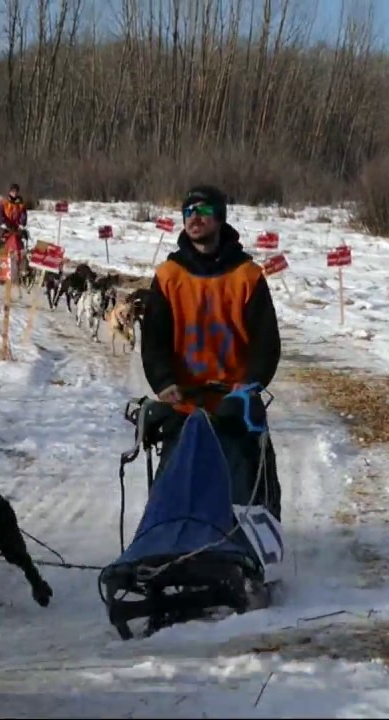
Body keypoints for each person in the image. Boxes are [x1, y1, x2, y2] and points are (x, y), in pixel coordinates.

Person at [139, 184, 282, 520]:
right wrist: (162, 382)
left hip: (237, 405)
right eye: (188, 212)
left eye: (203, 212)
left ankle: (251, 555)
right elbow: (154, 340)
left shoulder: (247, 276)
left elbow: (266, 343)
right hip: (184, 403)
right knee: (173, 492)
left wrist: (250, 388)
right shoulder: (168, 276)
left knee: (249, 492)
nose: (194, 218)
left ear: (219, 219)